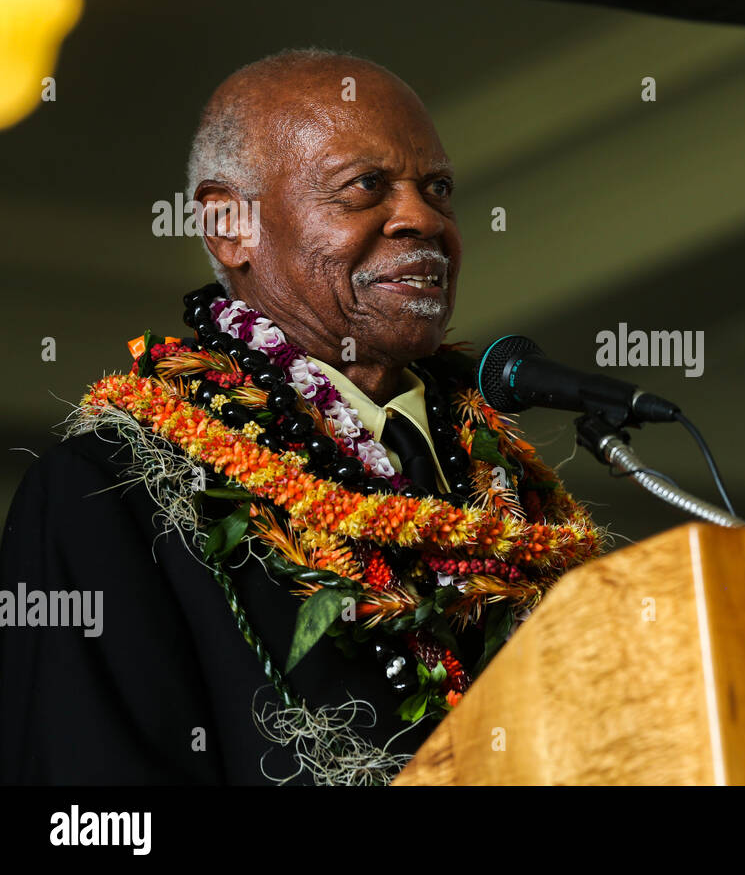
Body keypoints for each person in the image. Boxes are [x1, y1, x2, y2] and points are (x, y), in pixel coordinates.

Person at [0, 49, 605, 785]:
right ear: (230, 225)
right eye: (365, 187)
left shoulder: (518, 493)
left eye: (437, 188)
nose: (421, 218)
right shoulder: (110, 490)